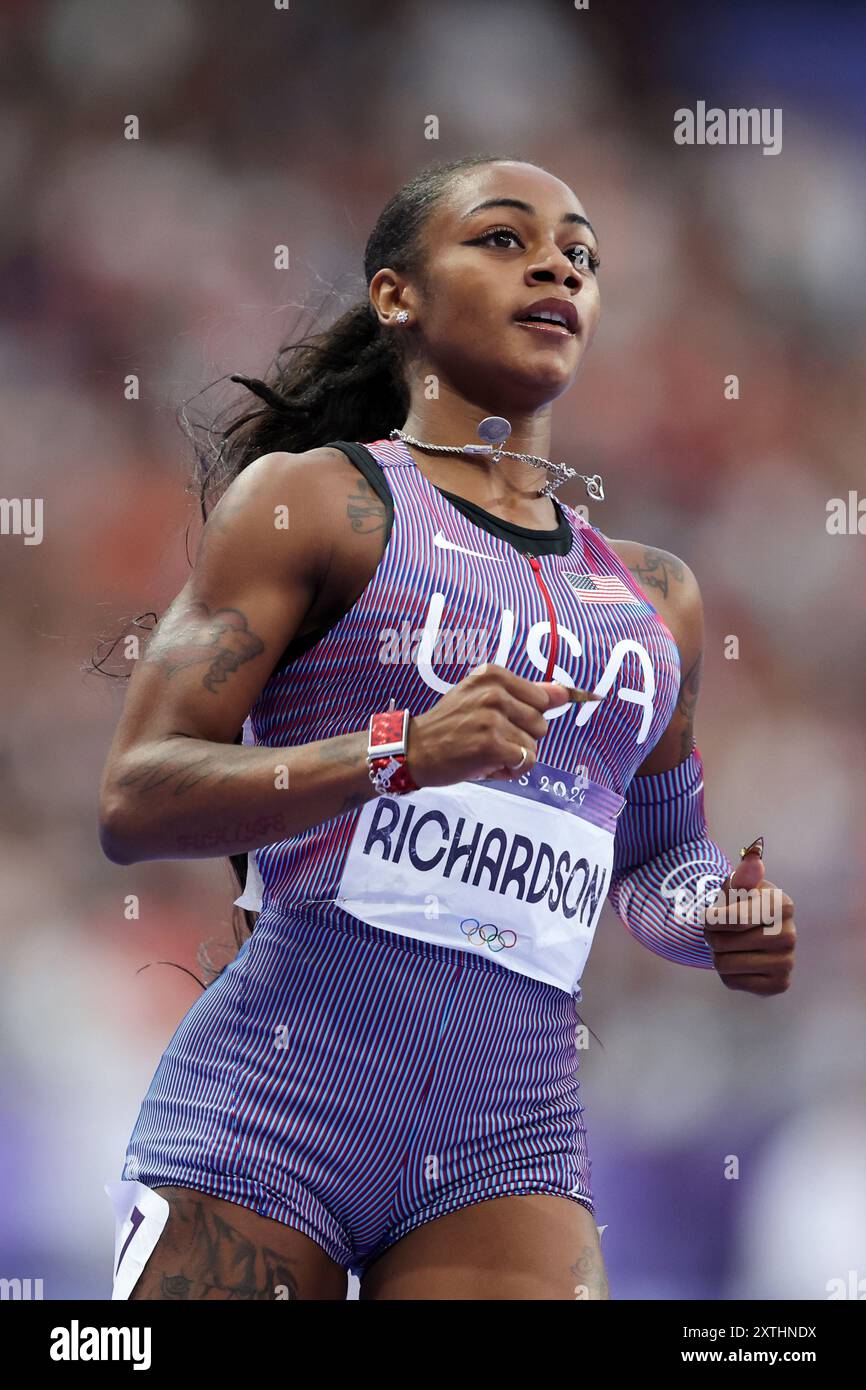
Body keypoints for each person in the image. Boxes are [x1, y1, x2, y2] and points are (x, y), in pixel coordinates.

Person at [98, 153, 796, 1301]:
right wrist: (397, 753)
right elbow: (137, 798)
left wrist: (716, 915)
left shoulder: (654, 596)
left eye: (580, 255)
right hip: (273, 1108)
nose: (554, 269)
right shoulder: (313, 501)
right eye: (504, 240)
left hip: (507, 1140)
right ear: (395, 296)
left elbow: (659, 860)